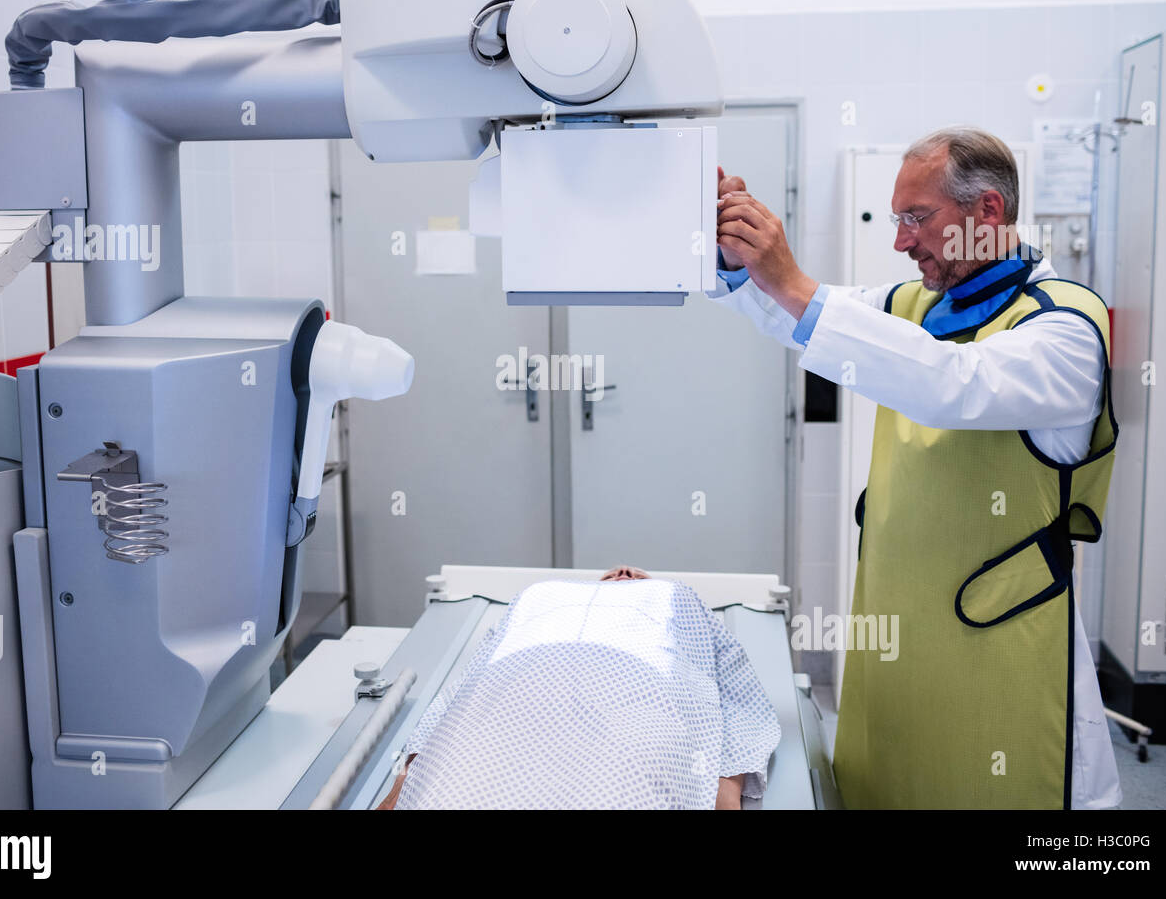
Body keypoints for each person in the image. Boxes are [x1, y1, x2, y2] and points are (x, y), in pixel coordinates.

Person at [712, 126, 1119, 809]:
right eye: (898, 218)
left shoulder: (1065, 328)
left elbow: (954, 384)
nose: (901, 241)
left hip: (1004, 648)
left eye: (916, 218)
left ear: (987, 212)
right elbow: (803, 321)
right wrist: (740, 263)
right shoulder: (915, 306)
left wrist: (795, 282)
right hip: (902, 639)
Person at [376, 566, 781, 810]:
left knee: (626, 783)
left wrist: (724, 792)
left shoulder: (676, 598)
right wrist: (409, 778)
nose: (624, 571)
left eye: (637, 573)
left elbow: (735, 691)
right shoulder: (539, 596)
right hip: (516, 686)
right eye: (614, 573)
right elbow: (467, 686)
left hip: (637, 690)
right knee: (456, 777)